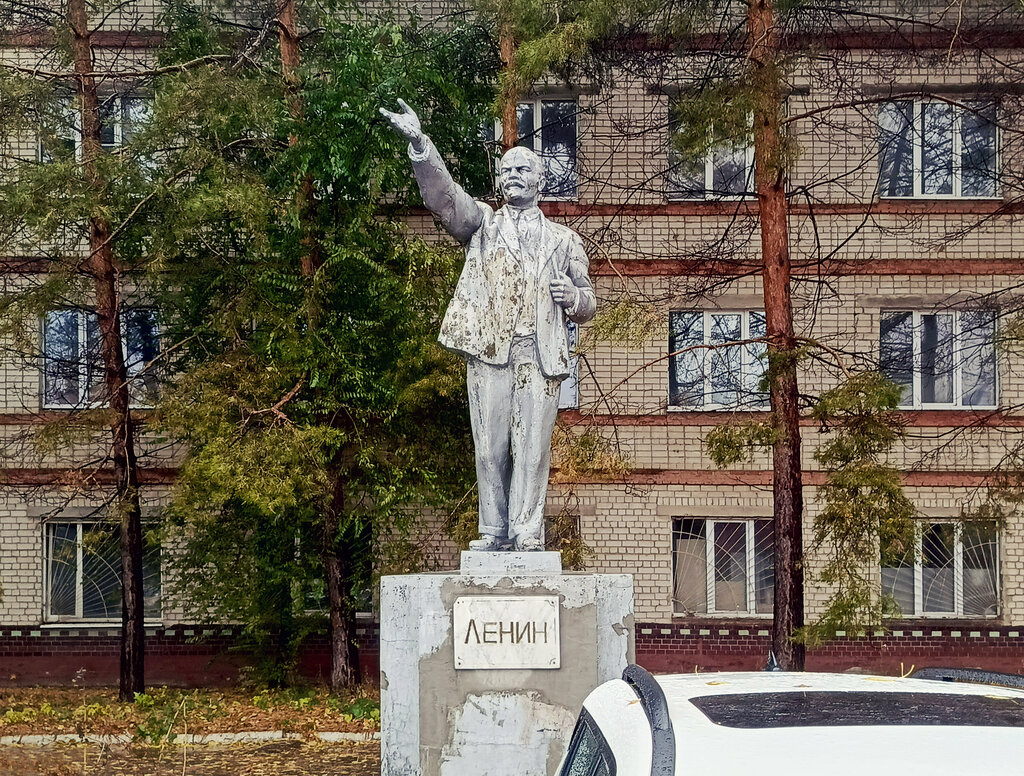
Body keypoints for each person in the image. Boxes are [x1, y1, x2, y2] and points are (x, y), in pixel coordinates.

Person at [380, 99, 597, 552]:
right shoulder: (483, 225)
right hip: (491, 351)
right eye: (507, 170)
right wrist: (420, 143)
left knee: (532, 451)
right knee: (489, 448)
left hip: (539, 355)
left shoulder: (565, 240)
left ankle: (526, 532)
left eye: (523, 170)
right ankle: (494, 530)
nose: (514, 175)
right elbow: (444, 198)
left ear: (541, 180)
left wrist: (573, 298)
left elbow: (589, 302)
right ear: (500, 182)